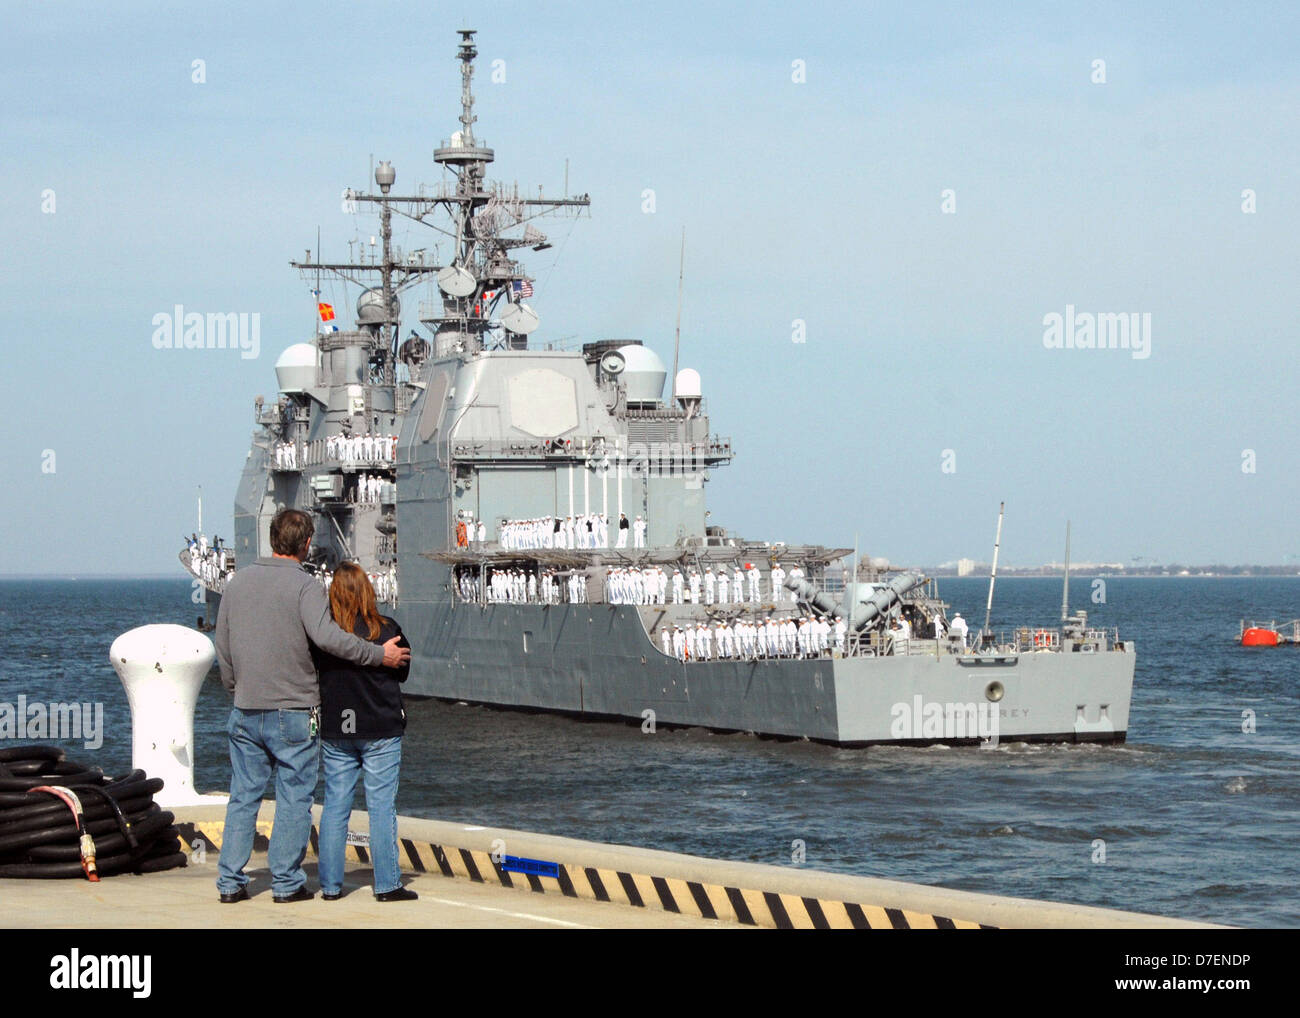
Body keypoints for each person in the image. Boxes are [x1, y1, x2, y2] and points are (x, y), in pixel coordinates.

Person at [213, 509, 410, 904]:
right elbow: (329, 639)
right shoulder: (305, 587)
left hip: (246, 708)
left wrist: (237, 688)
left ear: (272, 538)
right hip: (295, 713)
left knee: (243, 797)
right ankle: (286, 884)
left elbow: (223, 645)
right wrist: (377, 655)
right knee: (293, 799)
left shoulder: (236, 584)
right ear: (305, 544)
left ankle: (230, 883)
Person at [313, 563, 417, 902]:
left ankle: (329, 886)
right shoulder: (388, 630)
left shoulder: (325, 637)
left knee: (335, 807)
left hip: (338, 728)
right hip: (380, 728)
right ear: (367, 592)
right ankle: (386, 884)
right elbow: (403, 672)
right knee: (381, 807)